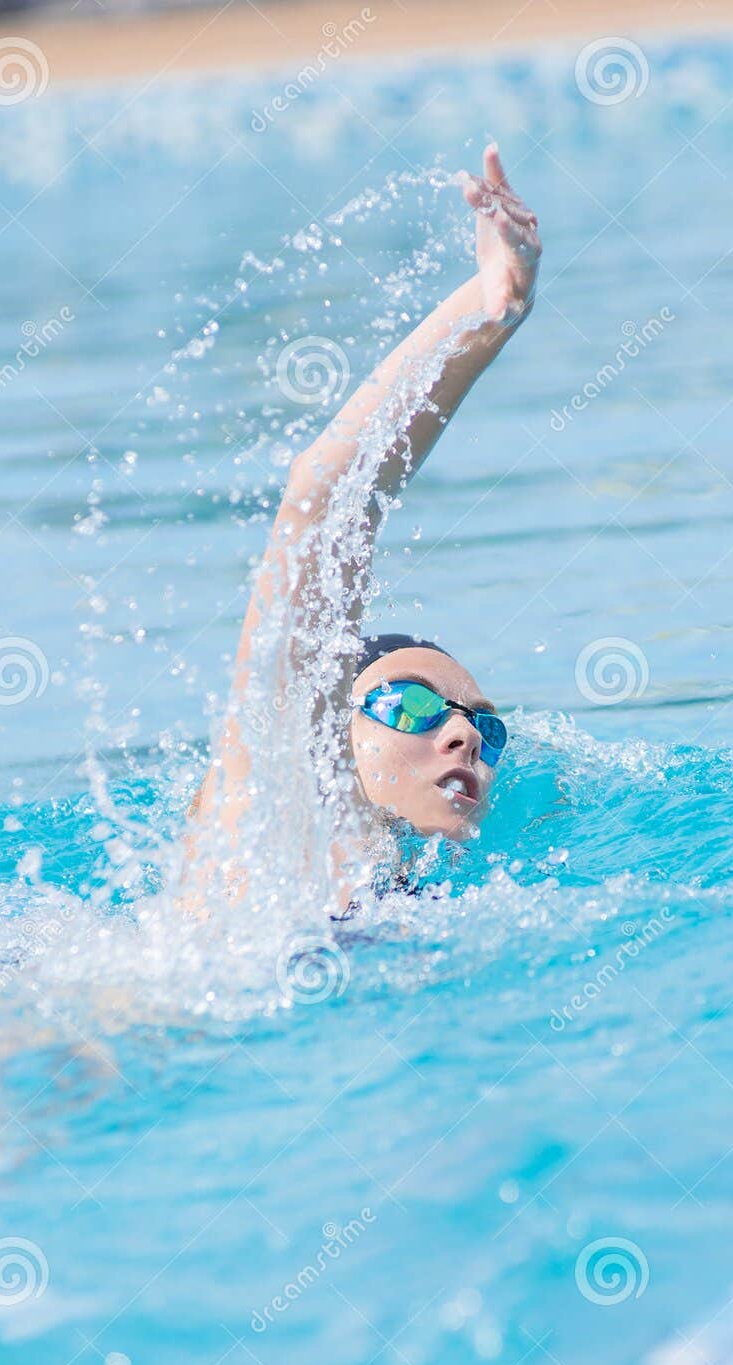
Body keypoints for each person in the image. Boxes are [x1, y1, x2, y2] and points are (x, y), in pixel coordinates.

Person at [188, 144, 540, 910]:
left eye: (485, 728)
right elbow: (322, 497)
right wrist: (489, 311)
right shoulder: (273, 822)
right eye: (408, 705)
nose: (465, 738)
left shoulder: (397, 893)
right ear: (326, 724)